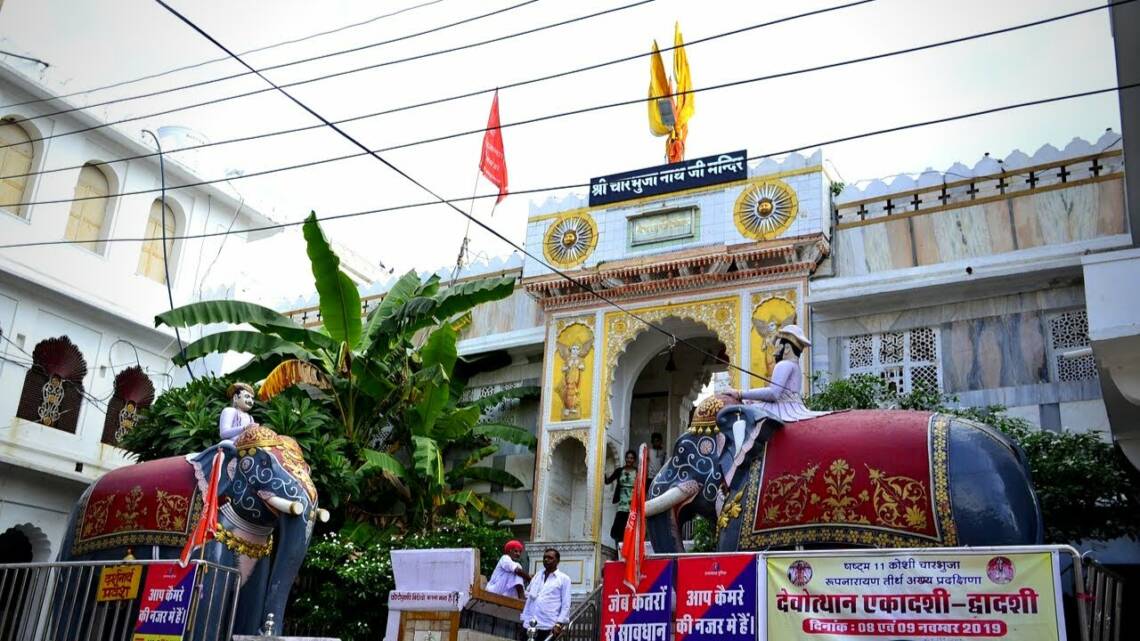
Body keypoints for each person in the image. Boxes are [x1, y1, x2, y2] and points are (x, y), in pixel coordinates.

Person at [725, 325, 828, 423]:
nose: (774, 353)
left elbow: (773, 393)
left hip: (784, 409)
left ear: (787, 348)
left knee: (743, 415)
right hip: (795, 405)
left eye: (778, 347)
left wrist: (740, 393)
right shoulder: (795, 367)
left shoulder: (784, 364)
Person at [520, 548, 571, 641]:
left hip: (547, 624)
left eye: (550, 558)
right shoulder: (538, 575)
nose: (546, 560)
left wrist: (558, 624)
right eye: (544, 557)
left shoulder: (564, 579)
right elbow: (528, 595)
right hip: (529, 623)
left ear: (557, 561)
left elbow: (566, 604)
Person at [604, 451, 637, 547]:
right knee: (618, 528)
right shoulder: (619, 471)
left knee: (631, 527)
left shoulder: (637, 471)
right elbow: (607, 481)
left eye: (631, 458)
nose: (629, 460)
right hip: (622, 503)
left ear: (634, 460)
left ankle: (629, 549)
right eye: (628, 457)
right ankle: (619, 548)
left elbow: (643, 486)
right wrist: (603, 470)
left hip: (633, 503)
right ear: (625, 458)